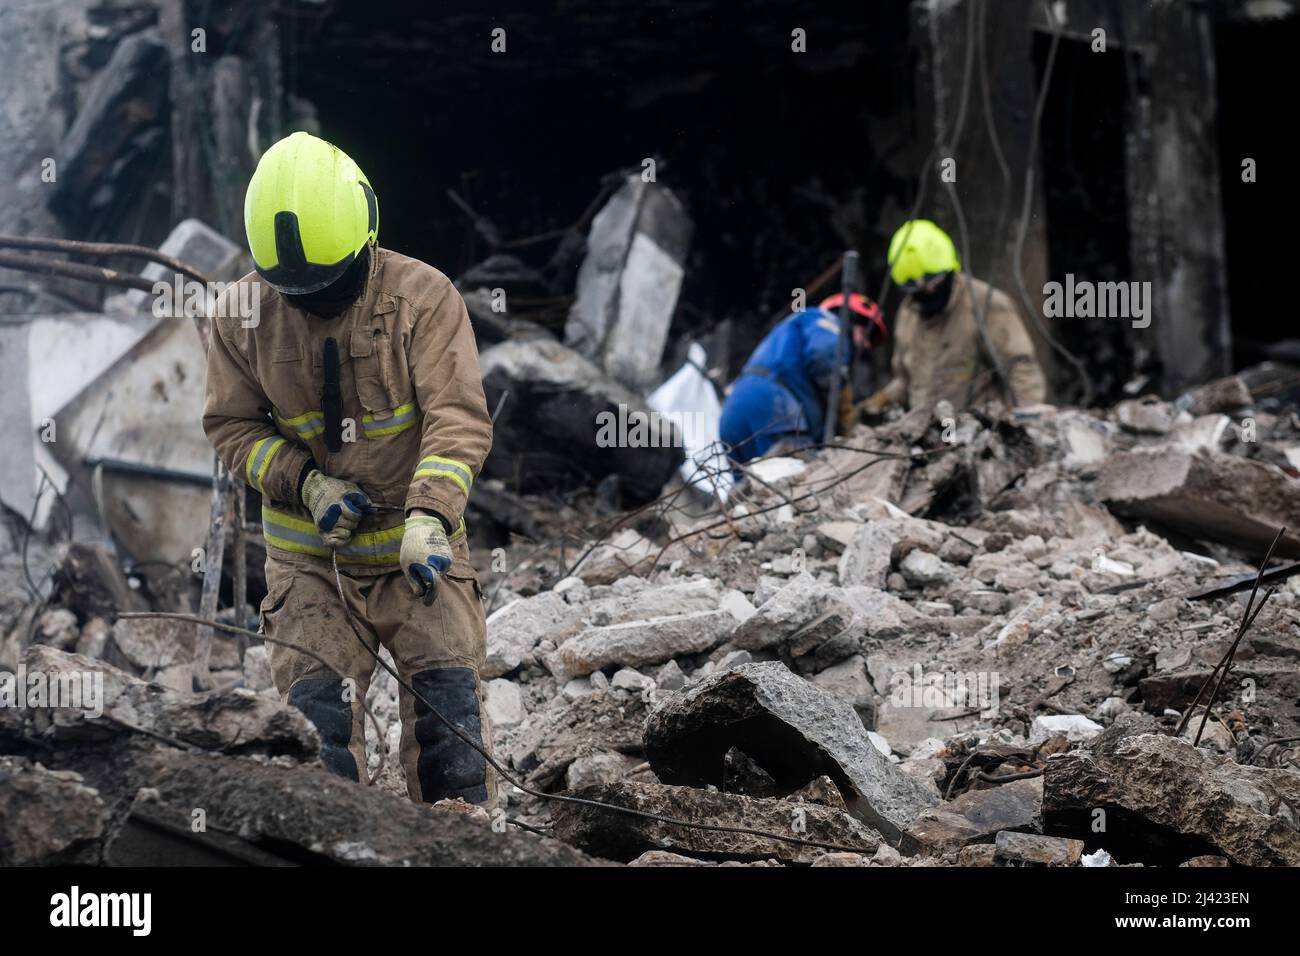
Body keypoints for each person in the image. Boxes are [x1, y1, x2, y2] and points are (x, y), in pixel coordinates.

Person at [202, 131, 496, 807]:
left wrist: (430, 513)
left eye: (332, 287)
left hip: (416, 551)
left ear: (367, 237)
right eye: (299, 293)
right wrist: (304, 483)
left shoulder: (425, 299)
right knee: (317, 743)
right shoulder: (241, 318)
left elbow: (457, 417)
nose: (317, 304)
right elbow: (233, 427)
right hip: (311, 567)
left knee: (453, 740)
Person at [862, 219, 1047, 415]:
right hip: (927, 434)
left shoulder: (985, 304)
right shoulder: (909, 314)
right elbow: (906, 379)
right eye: (919, 290)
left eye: (934, 282)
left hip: (976, 433)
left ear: (951, 268)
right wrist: (883, 400)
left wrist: (1029, 419)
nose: (930, 290)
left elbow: (1019, 368)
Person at [720, 292, 886, 464]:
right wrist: (843, 407)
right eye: (867, 333)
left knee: (752, 487)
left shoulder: (792, 329)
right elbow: (824, 357)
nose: (866, 345)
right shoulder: (827, 322)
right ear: (849, 317)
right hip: (774, 407)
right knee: (802, 482)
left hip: (733, 411)